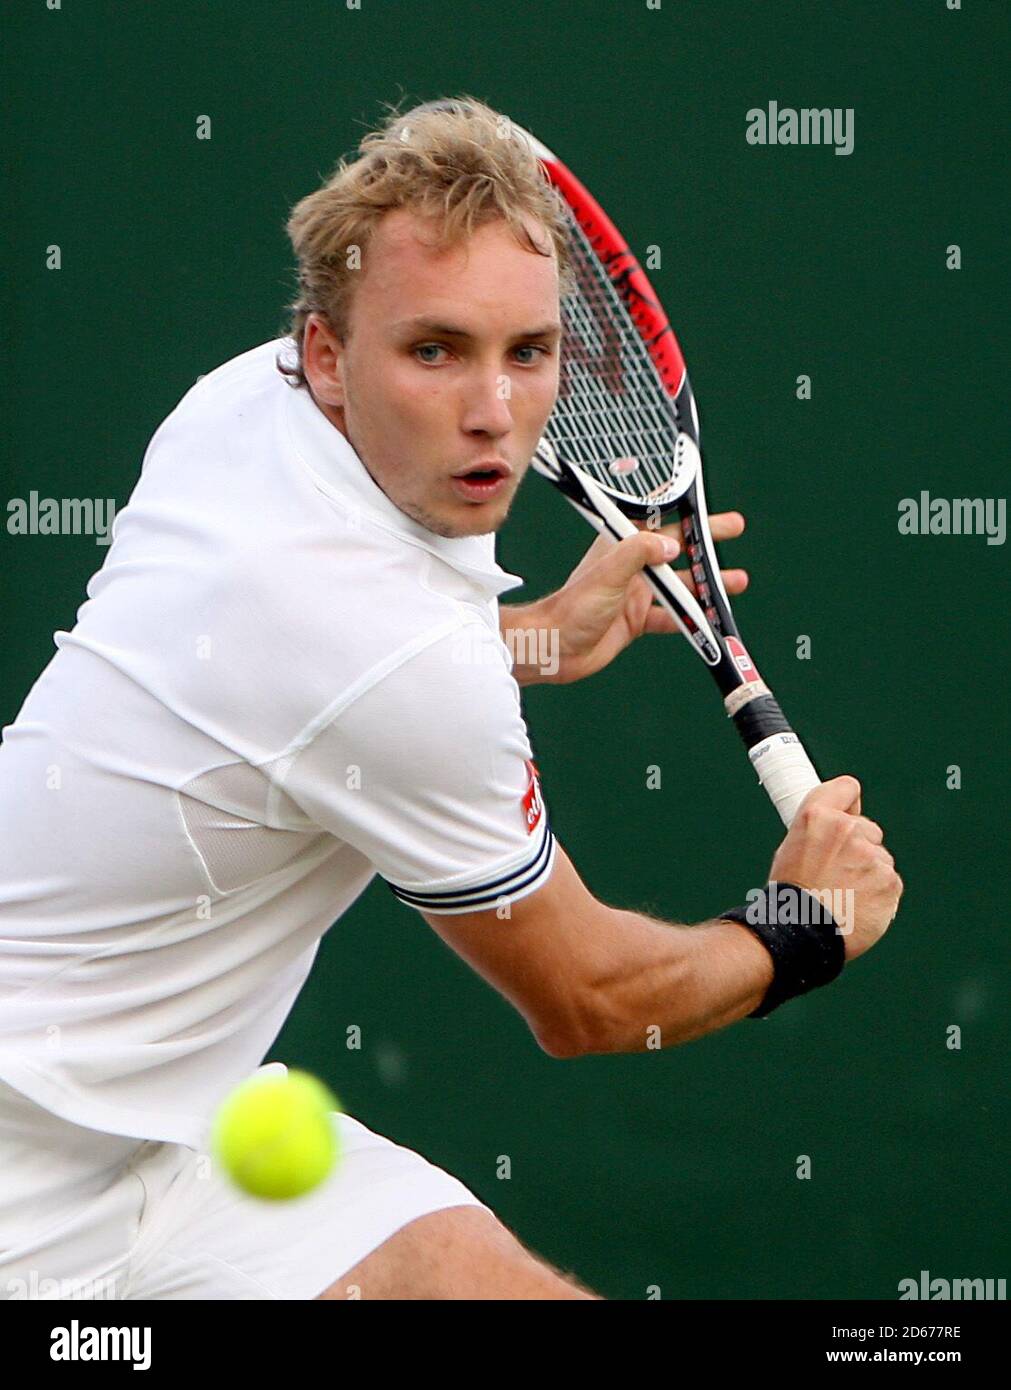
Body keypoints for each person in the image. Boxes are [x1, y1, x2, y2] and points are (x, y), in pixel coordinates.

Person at [0, 97, 902, 1301]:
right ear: (327, 355)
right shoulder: (398, 668)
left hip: (184, 1121)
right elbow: (587, 998)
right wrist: (804, 927)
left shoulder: (240, 407)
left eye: (529, 352)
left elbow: (295, 685)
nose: (494, 411)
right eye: (436, 350)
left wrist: (529, 640)